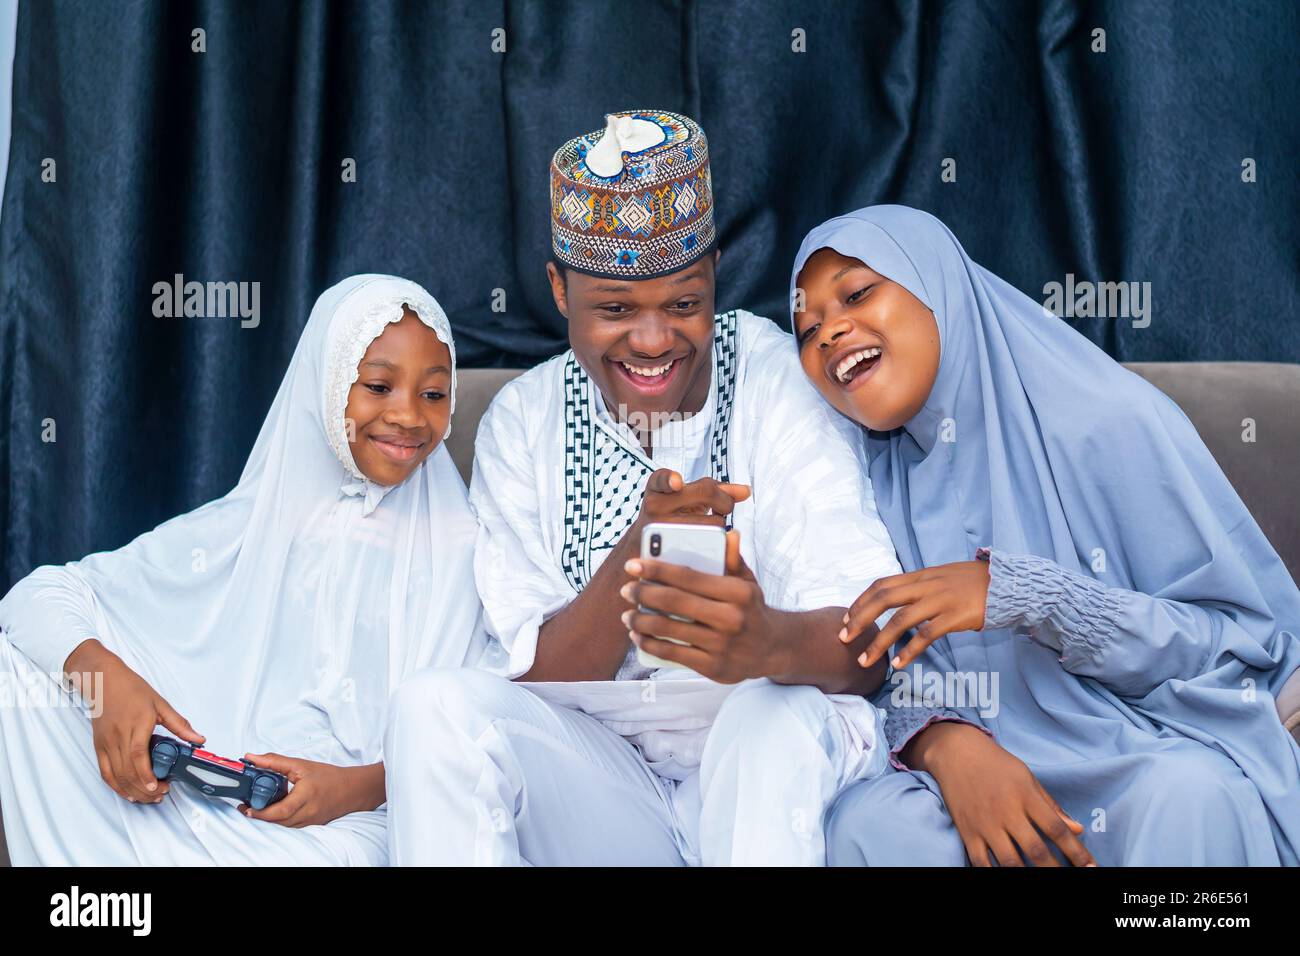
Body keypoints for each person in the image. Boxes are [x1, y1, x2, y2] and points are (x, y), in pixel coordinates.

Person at [383, 110, 917, 866]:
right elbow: (532, 677)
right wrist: (635, 560)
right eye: (614, 309)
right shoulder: (524, 421)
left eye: (682, 303)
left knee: (770, 720)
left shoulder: (771, 375)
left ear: (715, 277)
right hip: (610, 774)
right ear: (559, 292)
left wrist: (761, 638)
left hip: (767, 751)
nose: (654, 340)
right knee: (433, 709)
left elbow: (868, 652)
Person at [789, 204, 1300, 866]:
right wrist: (946, 745)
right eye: (806, 328)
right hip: (984, 773)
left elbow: (1241, 646)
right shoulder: (856, 480)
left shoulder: (1109, 421)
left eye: (857, 293)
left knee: (1190, 796)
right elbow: (877, 674)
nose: (830, 332)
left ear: (941, 285)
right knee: (868, 826)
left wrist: (1034, 598)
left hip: (1144, 748)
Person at [0, 274, 484, 865]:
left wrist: (351, 790)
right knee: (22, 671)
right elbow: (35, 598)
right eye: (379, 386)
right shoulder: (248, 525)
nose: (408, 416)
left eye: (434, 395)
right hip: (216, 794)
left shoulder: (461, 551)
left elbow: (477, 742)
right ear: (325, 388)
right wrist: (109, 687)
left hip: (358, 824)